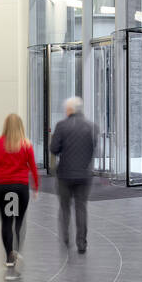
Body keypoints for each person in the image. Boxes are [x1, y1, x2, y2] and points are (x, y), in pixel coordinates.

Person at [0, 112, 39, 280]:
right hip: (19, 188)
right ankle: (16, 251)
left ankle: (9, 256)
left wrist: (0, 169)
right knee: (19, 222)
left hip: (2, 187)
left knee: (7, 221)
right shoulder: (26, 145)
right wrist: (36, 187)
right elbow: (33, 168)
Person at [49, 96, 96, 254]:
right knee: (81, 208)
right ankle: (81, 243)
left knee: (64, 208)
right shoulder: (91, 126)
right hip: (84, 174)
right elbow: (93, 147)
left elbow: (54, 149)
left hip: (65, 175)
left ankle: (66, 238)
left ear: (69, 110)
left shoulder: (61, 126)